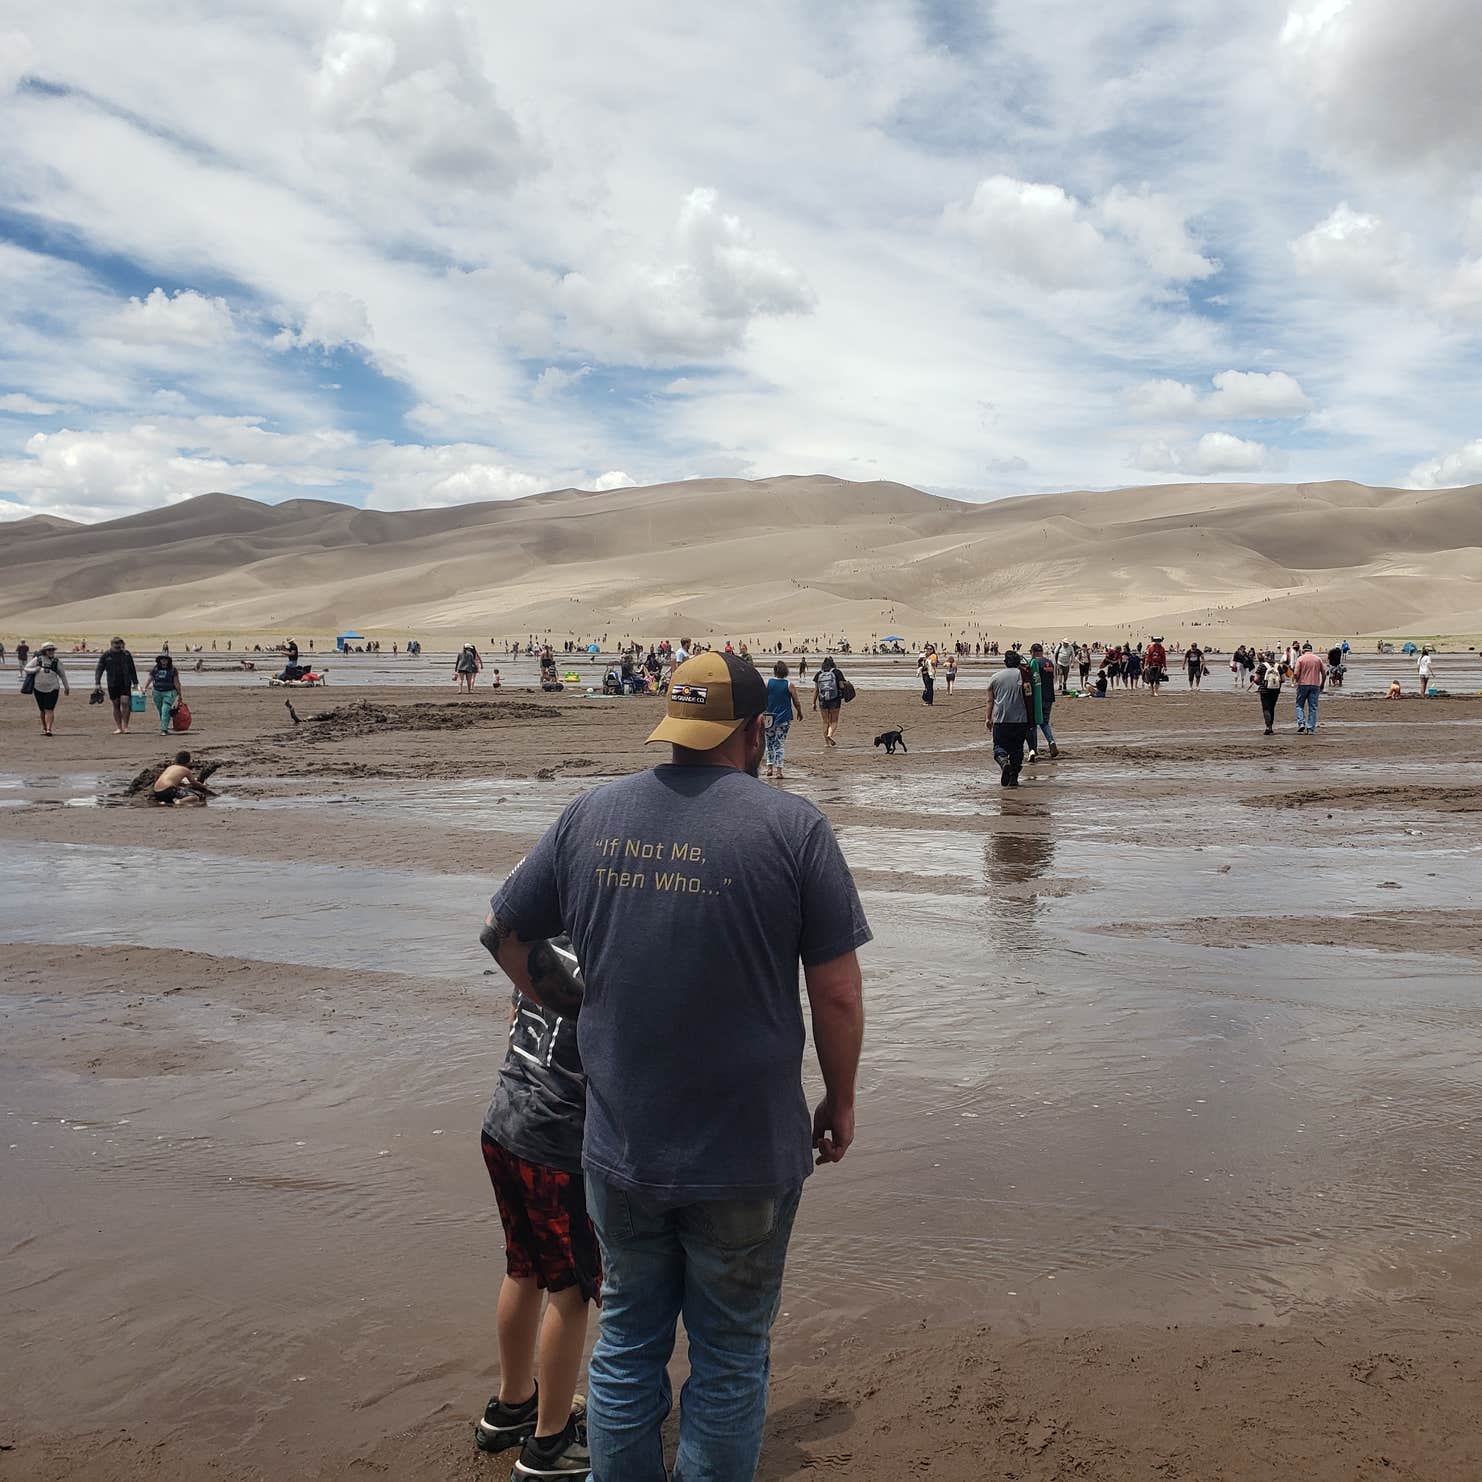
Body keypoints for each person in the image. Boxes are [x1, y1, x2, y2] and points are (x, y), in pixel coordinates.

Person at [480, 651, 868, 1482]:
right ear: (754, 729)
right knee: (728, 1358)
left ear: (674, 725)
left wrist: (578, 1008)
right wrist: (839, 1100)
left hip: (621, 1148)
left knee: (625, 1346)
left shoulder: (590, 815)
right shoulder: (793, 827)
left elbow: (506, 935)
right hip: (746, 1154)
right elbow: (835, 995)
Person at [475, 938, 599, 1478]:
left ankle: (512, 1404)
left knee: (522, 1268)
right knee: (570, 1293)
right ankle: (550, 1440)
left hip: (503, 1119)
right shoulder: (607, 957)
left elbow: (514, 1015)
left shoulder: (547, 944)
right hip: (554, 1144)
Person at [988, 650, 1031, 787]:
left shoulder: (995, 677)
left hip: (1001, 719)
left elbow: (990, 701)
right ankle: (1014, 778)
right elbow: (1029, 697)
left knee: (999, 746)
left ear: (1005, 662)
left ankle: (1003, 761)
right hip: (1020, 720)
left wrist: (988, 719)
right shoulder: (1024, 676)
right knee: (1017, 748)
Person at [764, 660, 804, 779]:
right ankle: (779, 770)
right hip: (783, 718)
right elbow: (796, 701)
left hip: (768, 718)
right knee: (779, 744)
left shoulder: (768, 683)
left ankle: (769, 767)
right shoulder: (789, 684)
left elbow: (761, 698)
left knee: (769, 743)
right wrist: (799, 712)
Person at [94, 636, 139, 734]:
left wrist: (135, 682)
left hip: (125, 682)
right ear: (112, 644)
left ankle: (126, 726)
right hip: (112, 683)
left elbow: (132, 668)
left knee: (125, 702)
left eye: (119, 644)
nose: (117, 645)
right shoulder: (106, 655)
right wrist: (97, 683)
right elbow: (99, 669)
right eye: (115, 644)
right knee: (116, 704)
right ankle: (119, 727)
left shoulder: (126, 654)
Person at [23, 641, 70, 735]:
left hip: (53, 688)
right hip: (38, 688)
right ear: (44, 651)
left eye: (52, 649)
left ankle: (49, 729)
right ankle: (44, 728)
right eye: (49, 650)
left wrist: (66, 687)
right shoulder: (38, 659)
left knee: (49, 709)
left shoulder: (57, 662)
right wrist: (35, 670)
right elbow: (26, 668)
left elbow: (62, 675)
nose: (51, 651)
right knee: (42, 710)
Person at [1025, 643, 1059, 760]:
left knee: (1033, 724)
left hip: (1037, 698)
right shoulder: (1049, 662)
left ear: (1033, 652)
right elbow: (1054, 679)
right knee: (1044, 722)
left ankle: (1033, 749)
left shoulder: (1034, 663)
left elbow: (1031, 680)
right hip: (1049, 696)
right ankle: (1051, 741)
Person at [148, 751, 214, 806]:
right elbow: (194, 783)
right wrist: (204, 786)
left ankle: (165, 801)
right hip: (168, 790)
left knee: (176, 791)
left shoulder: (171, 767)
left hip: (157, 791)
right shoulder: (185, 770)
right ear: (188, 762)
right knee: (195, 797)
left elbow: (172, 780)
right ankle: (179, 801)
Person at [143, 652, 182, 736]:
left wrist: (180, 694)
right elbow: (150, 679)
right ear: (159, 660)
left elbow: (176, 682)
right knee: (161, 710)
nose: (164, 661)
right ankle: (165, 725)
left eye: (165, 659)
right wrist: (144, 688)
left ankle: (163, 730)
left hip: (169, 692)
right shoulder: (155, 669)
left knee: (165, 709)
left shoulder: (173, 669)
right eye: (162, 659)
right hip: (157, 692)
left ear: (168, 661)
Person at [1292, 642, 1326, 734]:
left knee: (1299, 705)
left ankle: (1301, 722)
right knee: (1313, 707)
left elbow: (1295, 673)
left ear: (1303, 650)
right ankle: (1310, 728)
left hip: (1303, 684)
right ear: (1311, 650)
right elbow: (1324, 673)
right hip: (1315, 685)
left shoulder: (1300, 659)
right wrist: (1322, 684)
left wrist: (1296, 680)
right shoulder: (1318, 659)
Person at [813, 655, 844, 747]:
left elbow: (816, 690)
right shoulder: (837, 672)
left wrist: (813, 703)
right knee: (834, 721)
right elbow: (841, 686)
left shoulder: (819, 674)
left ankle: (826, 743)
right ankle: (829, 735)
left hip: (822, 700)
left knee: (825, 721)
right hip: (835, 699)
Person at [1254, 650, 1282, 735]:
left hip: (1264, 690)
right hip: (1276, 690)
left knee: (1266, 708)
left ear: (1266, 657)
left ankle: (1268, 727)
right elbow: (1283, 679)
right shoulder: (1278, 666)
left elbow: (1256, 679)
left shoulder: (1262, 666)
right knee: (1272, 708)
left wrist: (1258, 682)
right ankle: (1271, 726)